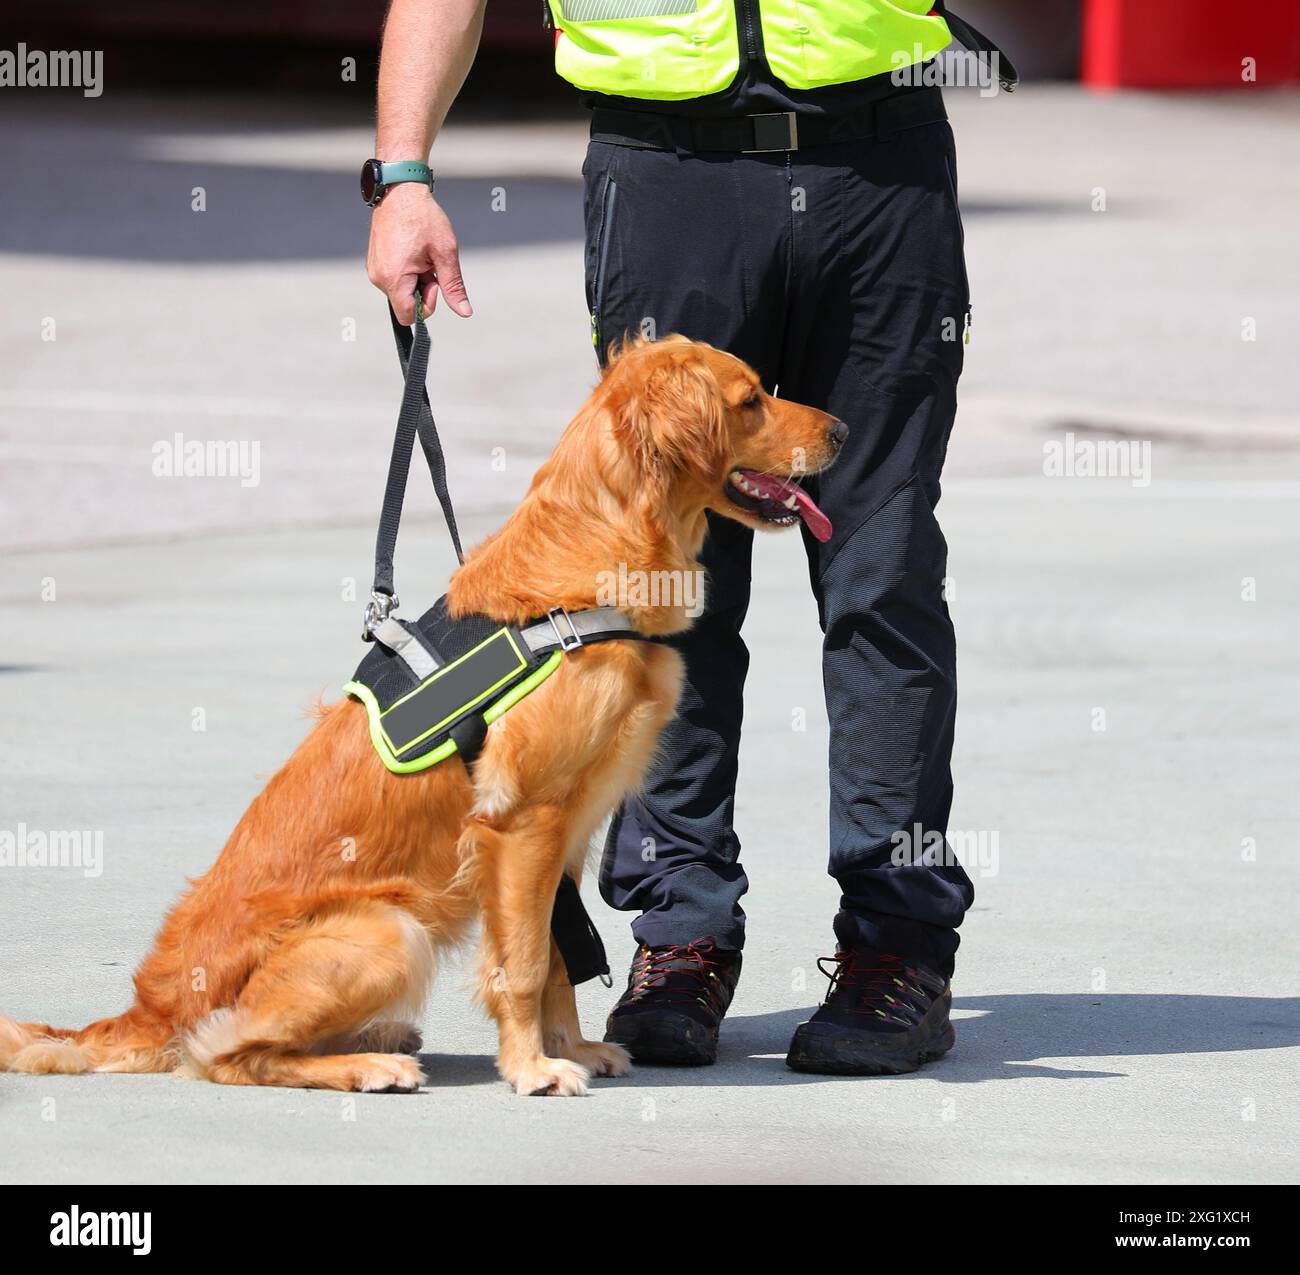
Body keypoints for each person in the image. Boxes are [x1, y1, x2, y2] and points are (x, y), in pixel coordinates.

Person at [366, 0, 1009, 1075]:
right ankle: (681, 934)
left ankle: (897, 951)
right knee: (662, 589)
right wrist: (403, 177)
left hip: (880, 169)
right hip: (666, 179)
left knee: (881, 576)